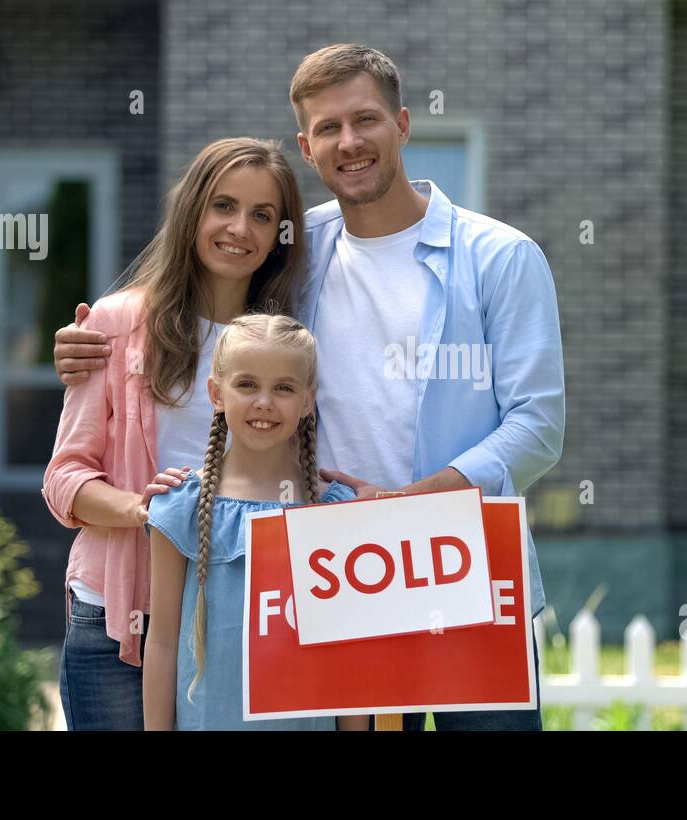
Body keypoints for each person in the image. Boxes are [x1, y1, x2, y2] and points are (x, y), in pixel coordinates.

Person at [54, 45, 566, 731]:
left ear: (404, 124)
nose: (349, 142)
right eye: (328, 128)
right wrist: (91, 341)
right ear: (307, 144)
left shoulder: (500, 258)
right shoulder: (299, 249)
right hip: (326, 578)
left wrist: (406, 505)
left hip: (457, 565)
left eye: (366, 121)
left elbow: (536, 427)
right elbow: (202, 310)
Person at [42, 137, 308, 730]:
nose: (240, 228)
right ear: (192, 211)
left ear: (279, 235)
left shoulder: (285, 343)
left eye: (263, 215)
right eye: (223, 206)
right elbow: (64, 480)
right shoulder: (114, 325)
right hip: (120, 619)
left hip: (234, 621)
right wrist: (153, 511)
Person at [142, 313, 362, 730]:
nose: (264, 402)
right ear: (216, 392)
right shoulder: (180, 506)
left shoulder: (336, 512)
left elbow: (350, 653)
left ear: (308, 400)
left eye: (284, 388)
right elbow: (163, 641)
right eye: (247, 384)